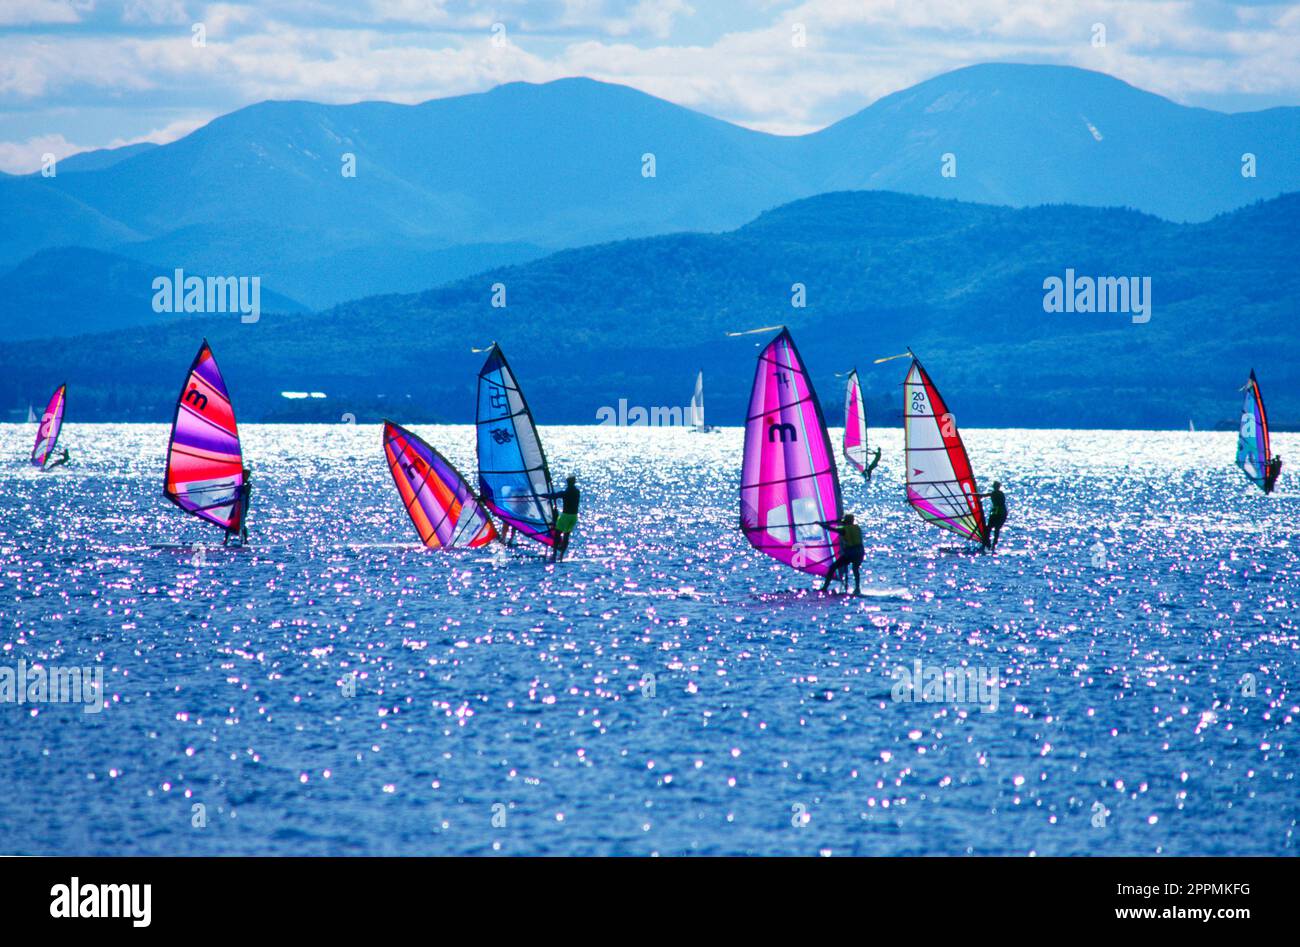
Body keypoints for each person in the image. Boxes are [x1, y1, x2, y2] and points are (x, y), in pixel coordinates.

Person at [820, 513, 864, 595]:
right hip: (860, 551)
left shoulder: (843, 529)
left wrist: (822, 525)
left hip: (851, 552)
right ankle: (857, 588)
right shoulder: (857, 527)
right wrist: (836, 522)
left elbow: (834, 529)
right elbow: (842, 525)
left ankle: (825, 588)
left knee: (833, 567)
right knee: (855, 569)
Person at [546, 475, 580, 561]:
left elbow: (553, 496)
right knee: (566, 536)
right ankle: (561, 556)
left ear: (568, 483)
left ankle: (554, 555)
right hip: (574, 517)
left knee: (557, 534)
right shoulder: (577, 492)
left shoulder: (566, 492)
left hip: (566, 516)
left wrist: (539, 495)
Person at [225, 464, 252, 546]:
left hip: (243, 505)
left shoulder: (248, 484)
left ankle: (245, 540)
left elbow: (246, 490)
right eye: (246, 475)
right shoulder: (237, 483)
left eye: (248, 475)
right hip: (235, 505)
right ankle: (226, 540)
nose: (247, 476)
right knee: (230, 522)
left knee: (242, 522)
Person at [978, 481, 1007, 551]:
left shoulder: (999, 494)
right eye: (994, 486)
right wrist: (975, 495)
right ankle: (987, 545)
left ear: (997, 487)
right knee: (990, 529)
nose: (994, 487)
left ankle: (992, 545)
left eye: (995, 486)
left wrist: (979, 495)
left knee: (994, 529)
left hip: (1000, 514)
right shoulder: (994, 493)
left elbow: (999, 500)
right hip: (997, 513)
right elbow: (985, 495)